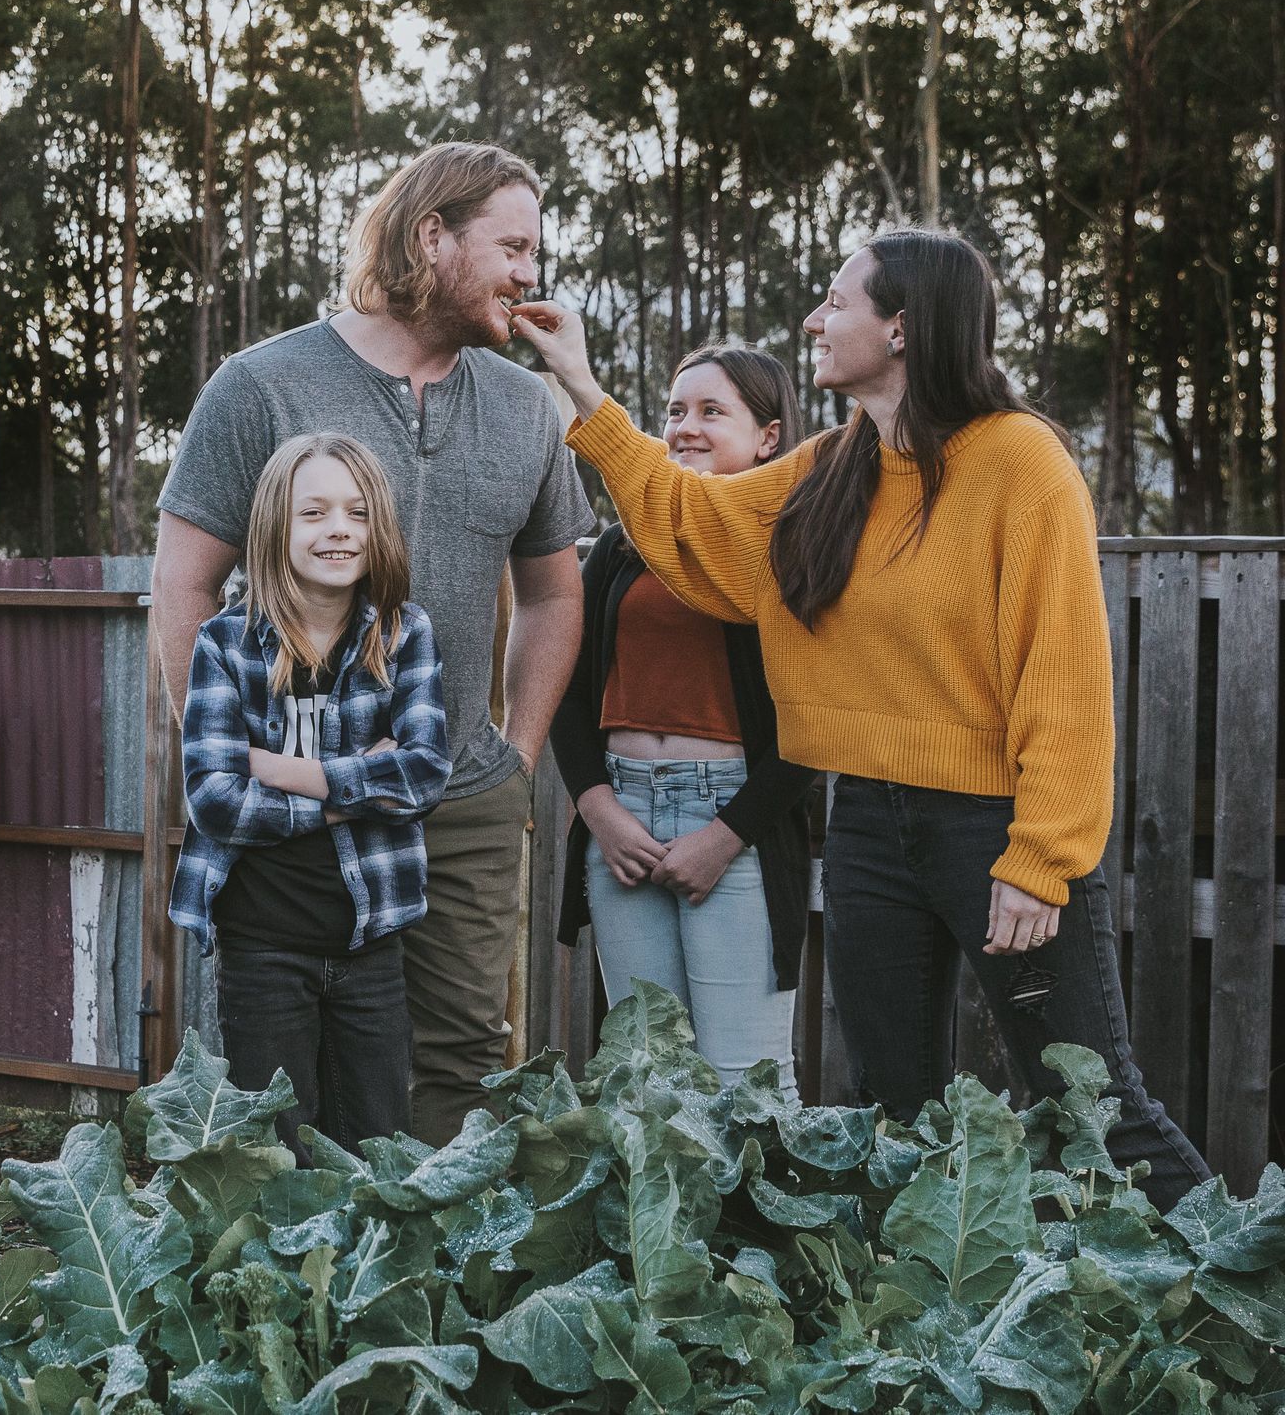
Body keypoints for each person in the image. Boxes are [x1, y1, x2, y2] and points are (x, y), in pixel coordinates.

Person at [511, 228, 1211, 1207]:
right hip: (869, 826)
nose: (813, 320)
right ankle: (916, 1336)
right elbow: (695, 526)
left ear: (900, 326)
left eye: (835, 302)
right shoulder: (833, 466)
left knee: (1089, 1109)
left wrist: (1041, 858)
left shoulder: (1020, 461)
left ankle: (1248, 1291)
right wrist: (583, 388)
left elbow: (1064, 676)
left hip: (997, 828)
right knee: (892, 1109)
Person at [153, 142, 589, 1146]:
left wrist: (514, 756)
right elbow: (180, 582)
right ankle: (289, 1286)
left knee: (460, 1052)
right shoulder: (262, 385)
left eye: (536, 251)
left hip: (459, 792)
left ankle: (422, 1282)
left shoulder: (525, 408)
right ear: (430, 235)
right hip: (298, 794)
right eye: (511, 246)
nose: (530, 274)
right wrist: (235, 756)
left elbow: (554, 593)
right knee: (281, 1068)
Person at [549, 344, 818, 1095]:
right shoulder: (619, 549)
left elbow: (815, 724)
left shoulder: (792, 554)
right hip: (622, 825)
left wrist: (724, 836)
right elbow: (567, 694)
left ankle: (760, 1219)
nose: (684, 427)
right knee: (645, 1088)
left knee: (746, 1086)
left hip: (736, 830)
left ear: (768, 437)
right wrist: (598, 810)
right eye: (674, 411)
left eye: (711, 411)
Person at [175, 433, 451, 1159]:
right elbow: (214, 799)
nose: (338, 529)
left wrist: (297, 774)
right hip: (262, 946)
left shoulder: (403, 633)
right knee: (276, 1153)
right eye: (315, 513)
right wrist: (356, 786)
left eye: (357, 513)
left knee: (379, 1146)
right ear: (275, 526)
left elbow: (424, 773)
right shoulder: (225, 643)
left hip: (371, 941)